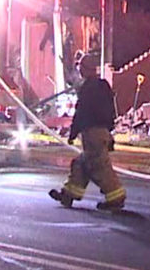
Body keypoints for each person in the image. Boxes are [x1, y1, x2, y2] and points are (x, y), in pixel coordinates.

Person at [49, 56, 126, 211]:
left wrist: (72, 133)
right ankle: (69, 194)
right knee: (81, 164)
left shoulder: (87, 89)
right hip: (103, 132)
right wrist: (109, 131)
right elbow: (111, 110)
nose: (80, 71)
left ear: (85, 69)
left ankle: (116, 198)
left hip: (92, 133)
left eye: (81, 69)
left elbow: (81, 112)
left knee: (99, 167)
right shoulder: (104, 86)